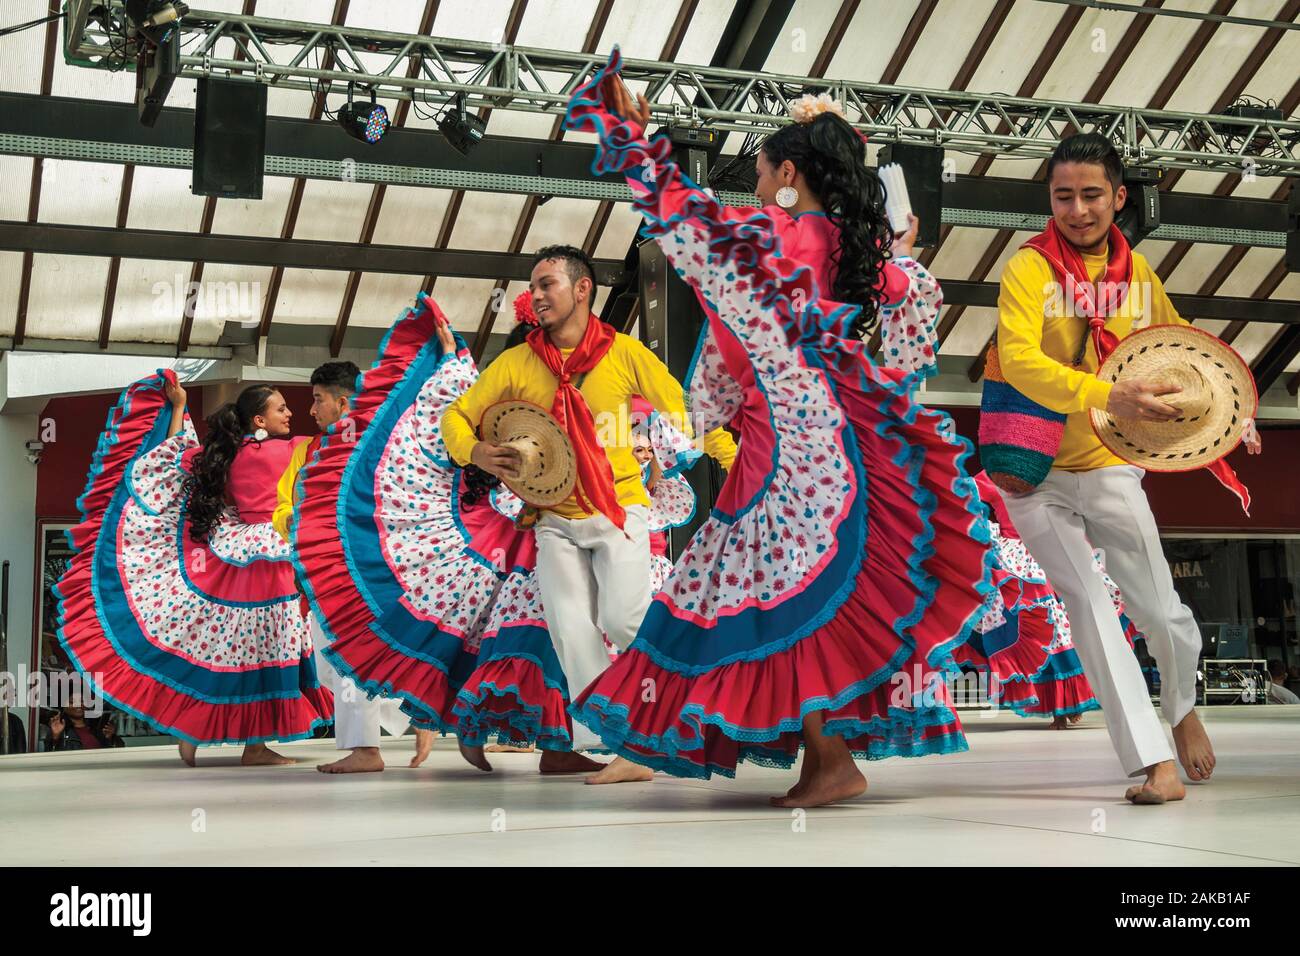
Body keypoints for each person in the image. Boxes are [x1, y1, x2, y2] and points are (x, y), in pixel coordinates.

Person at [558, 50, 993, 807]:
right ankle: (824, 758)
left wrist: (636, 140)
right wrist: (898, 355)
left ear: (789, 174)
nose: (754, 180)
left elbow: (690, 229)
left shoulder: (772, 235)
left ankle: (829, 762)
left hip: (789, 450)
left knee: (779, 593)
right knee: (801, 593)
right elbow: (916, 309)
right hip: (834, 440)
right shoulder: (858, 253)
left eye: (760, 166)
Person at [991, 132, 1263, 804]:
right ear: (1048, 199)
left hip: (1111, 465)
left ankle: (1180, 708)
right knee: (1088, 604)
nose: (1078, 209)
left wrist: (1233, 414)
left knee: (1161, 611)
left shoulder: (1137, 275)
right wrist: (1104, 393)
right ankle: (1153, 764)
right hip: (1032, 468)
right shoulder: (1028, 270)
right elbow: (1020, 360)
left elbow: (1179, 352)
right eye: (1063, 196)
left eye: (1091, 194)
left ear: (1119, 196)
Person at [441, 242, 739, 784]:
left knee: (623, 620)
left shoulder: (625, 354)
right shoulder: (517, 363)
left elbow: (682, 410)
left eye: (546, 284)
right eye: (532, 287)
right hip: (553, 517)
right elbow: (458, 416)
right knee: (569, 628)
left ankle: (689, 699)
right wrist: (475, 450)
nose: (536, 296)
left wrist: (737, 461)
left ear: (582, 289)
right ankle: (630, 742)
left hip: (619, 508)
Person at [56, 372, 332, 768]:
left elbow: (171, 455)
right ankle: (254, 749)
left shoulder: (224, 455)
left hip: (236, 560)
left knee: (231, 653)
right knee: (270, 651)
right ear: (259, 420)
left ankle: (192, 735)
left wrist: (180, 406)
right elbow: (342, 443)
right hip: (271, 557)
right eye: (281, 408)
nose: (290, 413)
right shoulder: (294, 450)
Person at [273, 361, 435, 774]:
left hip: (361, 569)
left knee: (345, 657)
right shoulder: (306, 451)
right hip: (319, 567)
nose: (311, 409)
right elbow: (283, 504)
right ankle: (413, 706)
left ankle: (366, 748)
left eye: (318, 399)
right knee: (330, 663)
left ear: (343, 402)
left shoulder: (380, 445)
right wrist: (289, 518)